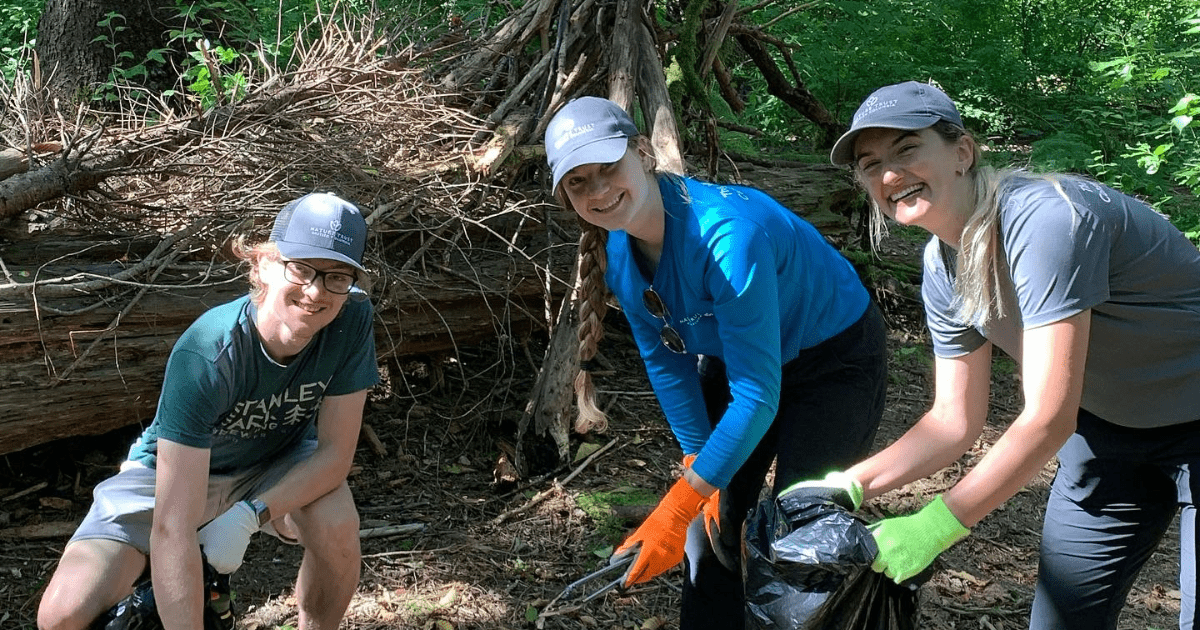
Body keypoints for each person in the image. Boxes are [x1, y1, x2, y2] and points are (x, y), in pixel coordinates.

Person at [812, 80, 1200, 630]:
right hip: (1110, 438)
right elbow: (953, 421)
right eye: (871, 164)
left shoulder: (1047, 219)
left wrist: (936, 525)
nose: (890, 175)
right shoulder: (942, 267)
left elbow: (1047, 417)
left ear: (963, 152)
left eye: (907, 149)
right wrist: (851, 483)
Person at [544, 96, 888, 628]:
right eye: (578, 182)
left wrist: (680, 500)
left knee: (801, 529)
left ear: (643, 153)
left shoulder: (728, 236)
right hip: (737, 357)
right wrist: (695, 465)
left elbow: (757, 395)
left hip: (832, 358)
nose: (598, 191)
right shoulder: (620, 254)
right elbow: (666, 362)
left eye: (609, 168)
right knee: (709, 533)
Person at [38, 192, 379, 630]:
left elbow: (334, 454)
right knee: (61, 616)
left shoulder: (351, 318)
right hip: (173, 474)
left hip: (273, 463)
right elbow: (172, 524)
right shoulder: (208, 351)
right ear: (264, 266)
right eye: (302, 268)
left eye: (336, 276)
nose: (316, 291)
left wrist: (248, 515)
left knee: (337, 526)